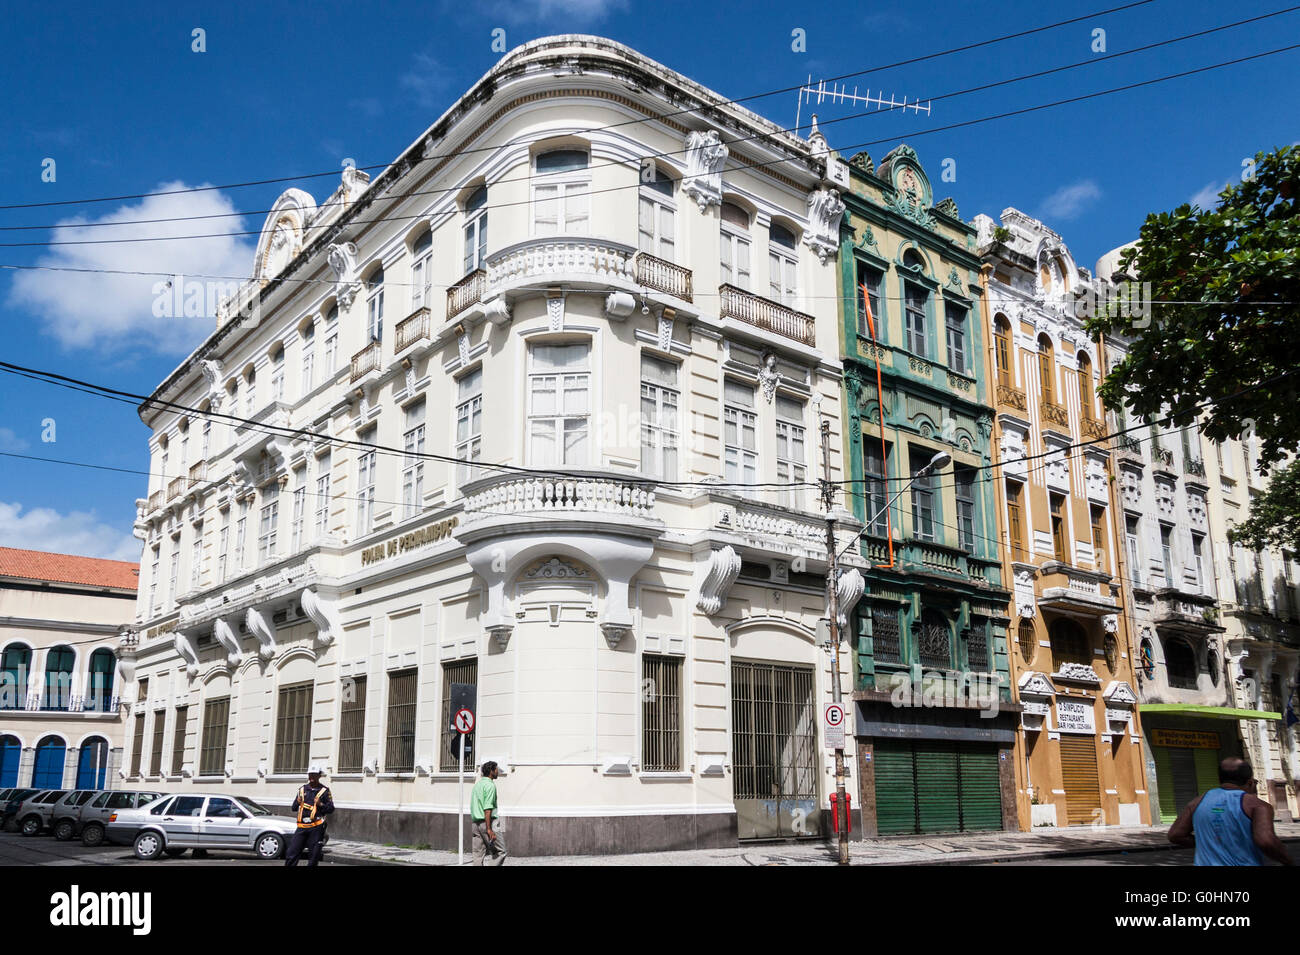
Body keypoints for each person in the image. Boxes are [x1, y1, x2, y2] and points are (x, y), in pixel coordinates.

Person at [1168, 757, 1294, 866]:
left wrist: (1209, 843)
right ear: (1250, 782)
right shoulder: (1258, 806)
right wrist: (1288, 861)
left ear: (1220, 780)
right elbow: (1266, 840)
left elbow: (1175, 835)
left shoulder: (1196, 802)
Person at [285, 763, 334, 867]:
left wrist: (320, 804)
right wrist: (297, 802)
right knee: (291, 853)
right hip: (302, 827)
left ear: (319, 776)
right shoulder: (302, 790)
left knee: (314, 856)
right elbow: (293, 808)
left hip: (316, 828)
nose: (311, 777)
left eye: (314, 775)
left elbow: (331, 809)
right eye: (310, 774)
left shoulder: (324, 791)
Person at [470, 760, 506, 866]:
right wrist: (489, 828)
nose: (498, 772)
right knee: (500, 852)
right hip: (488, 822)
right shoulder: (490, 786)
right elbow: (488, 808)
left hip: (475, 823)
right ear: (491, 771)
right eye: (496, 769)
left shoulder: (477, 785)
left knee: (477, 854)